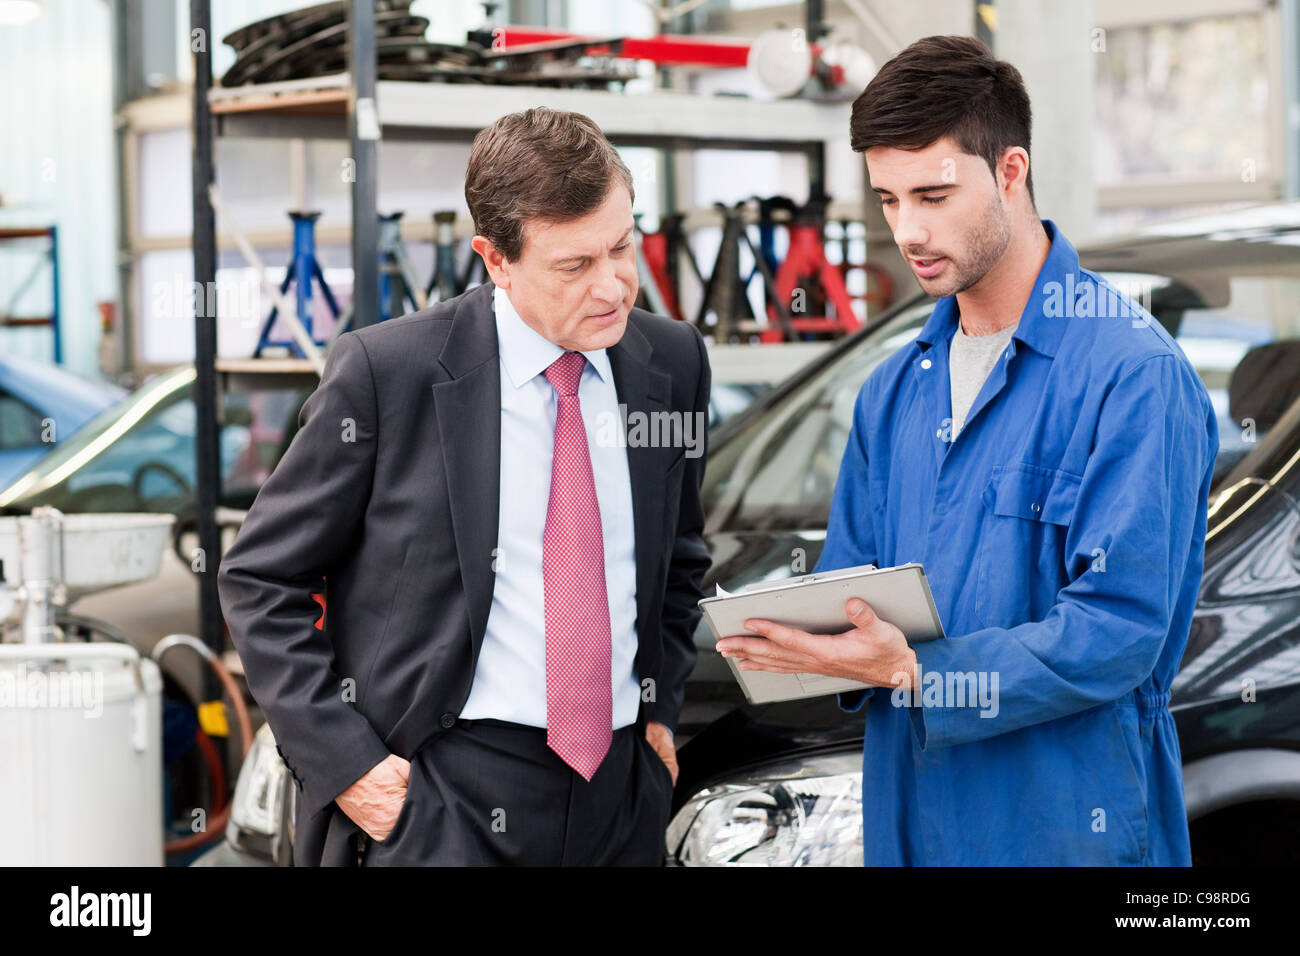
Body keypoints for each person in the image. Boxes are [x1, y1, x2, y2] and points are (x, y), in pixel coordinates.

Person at [715, 35, 1218, 865]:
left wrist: (915, 671)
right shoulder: (891, 394)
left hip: (1063, 822)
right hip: (909, 816)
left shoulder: (1130, 376)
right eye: (887, 200)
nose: (908, 231)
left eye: (934, 194)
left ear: (1011, 172)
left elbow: (1120, 630)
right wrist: (797, 644)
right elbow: (855, 594)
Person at [218, 107, 711, 866]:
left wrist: (660, 714)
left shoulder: (672, 362)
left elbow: (680, 556)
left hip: (619, 798)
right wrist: (352, 768)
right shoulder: (391, 375)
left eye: (622, 246)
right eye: (575, 266)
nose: (614, 286)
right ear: (495, 259)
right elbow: (259, 577)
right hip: (445, 799)